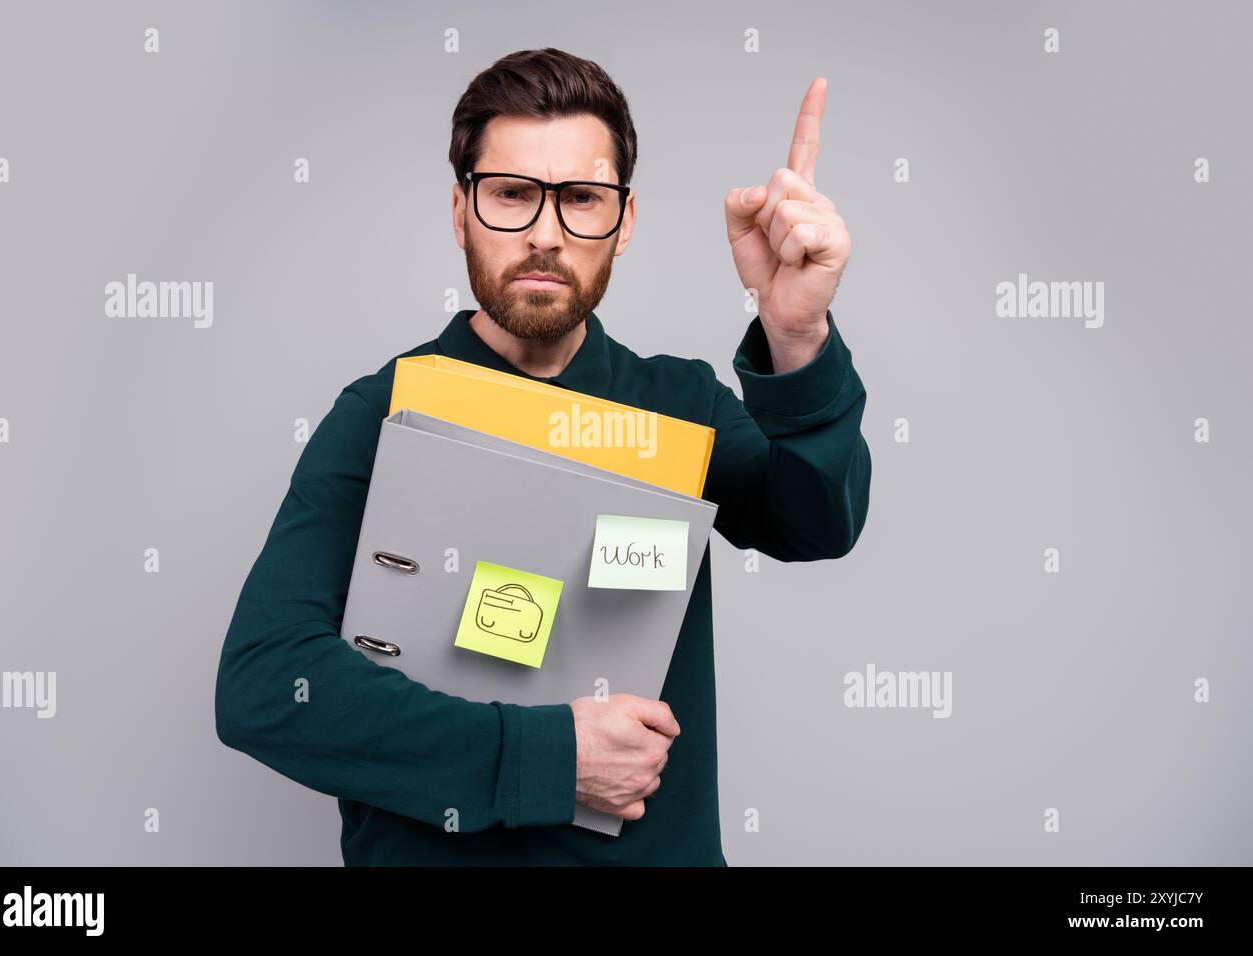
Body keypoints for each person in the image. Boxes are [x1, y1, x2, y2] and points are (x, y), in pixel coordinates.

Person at [215, 47, 871, 866]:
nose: (545, 235)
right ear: (461, 212)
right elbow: (264, 687)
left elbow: (817, 523)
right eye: (512, 194)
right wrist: (553, 758)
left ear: (624, 223)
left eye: (582, 200)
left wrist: (796, 332)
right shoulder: (381, 411)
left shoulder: (681, 405)